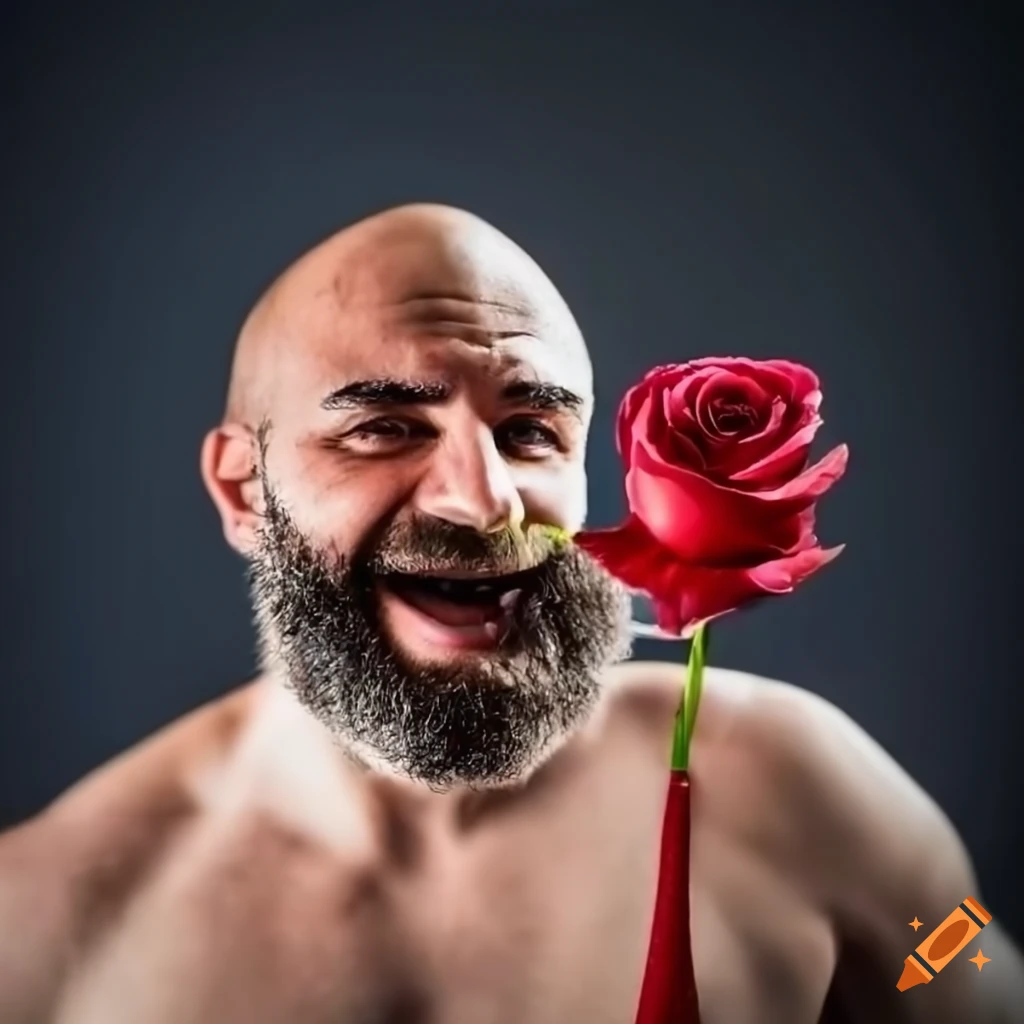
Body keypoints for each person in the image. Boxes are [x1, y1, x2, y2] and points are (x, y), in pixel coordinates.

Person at [0, 204, 1020, 1024]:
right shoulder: (45, 923)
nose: (484, 500)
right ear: (240, 490)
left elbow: (966, 974)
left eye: (529, 429)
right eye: (387, 425)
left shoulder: (803, 792)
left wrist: (942, 953)